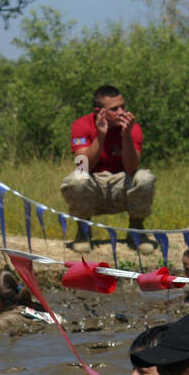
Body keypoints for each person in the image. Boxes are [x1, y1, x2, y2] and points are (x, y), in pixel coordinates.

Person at [61, 85, 157, 255]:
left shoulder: (132, 127)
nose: (121, 112)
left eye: (123, 106)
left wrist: (126, 136)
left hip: (121, 187)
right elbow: (82, 167)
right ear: (100, 111)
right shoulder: (81, 125)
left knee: (145, 178)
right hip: (93, 188)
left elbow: (132, 167)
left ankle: (136, 231)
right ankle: (83, 232)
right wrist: (101, 135)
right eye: (114, 109)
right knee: (77, 180)